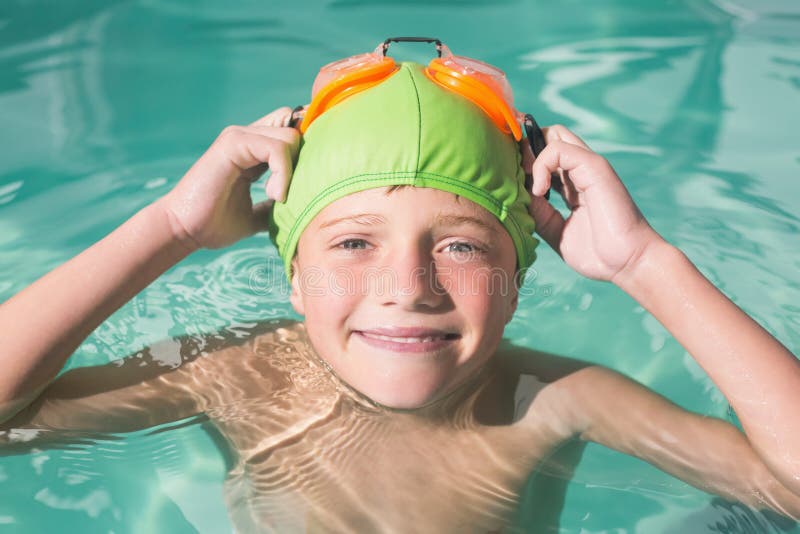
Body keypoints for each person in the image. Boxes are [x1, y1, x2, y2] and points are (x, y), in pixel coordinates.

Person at [1, 39, 799, 532]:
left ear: (516, 279)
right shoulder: (238, 374)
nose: (407, 286)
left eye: (458, 245)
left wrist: (644, 265)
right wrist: (170, 228)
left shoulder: (552, 398)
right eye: (352, 243)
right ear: (293, 280)